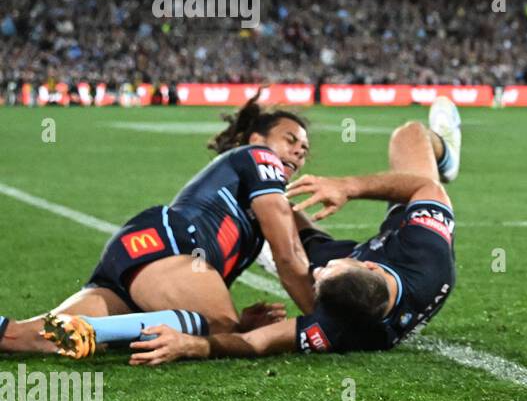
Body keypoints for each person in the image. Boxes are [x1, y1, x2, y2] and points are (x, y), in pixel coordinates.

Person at [121, 98, 462, 365]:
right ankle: (446, 153)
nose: (318, 270)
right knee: (409, 135)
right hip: (399, 247)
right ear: (369, 264)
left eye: (319, 275)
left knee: (285, 237)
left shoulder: (336, 326)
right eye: (329, 267)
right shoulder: (425, 254)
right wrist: (348, 186)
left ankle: (269, 225)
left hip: (354, 292)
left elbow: (257, 343)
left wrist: (194, 345)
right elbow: (428, 191)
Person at [0, 98, 316, 358]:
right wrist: (324, 322)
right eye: (290, 139)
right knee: (220, 327)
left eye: (305, 148)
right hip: (172, 246)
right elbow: (288, 258)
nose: (300, 150)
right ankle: (99, 330)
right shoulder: (259, 157)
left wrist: (237, 324)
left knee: (30, 336)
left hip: (145, 248)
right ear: (257, 139)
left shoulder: (250, 191)